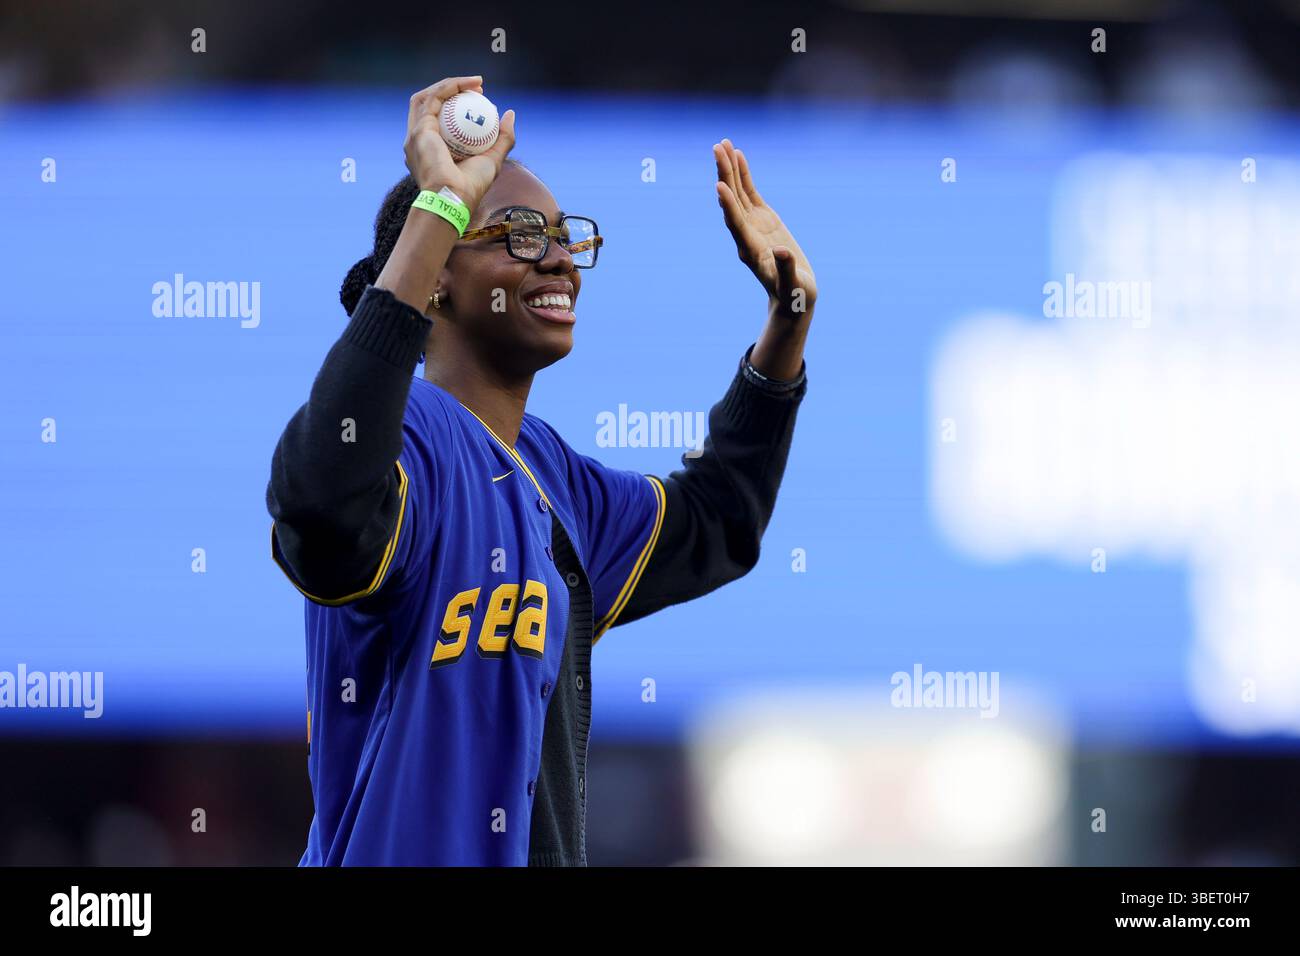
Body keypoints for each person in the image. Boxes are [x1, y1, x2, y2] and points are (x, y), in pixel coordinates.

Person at [266, 75, 817, 865]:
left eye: (565, 237)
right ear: (438, 281)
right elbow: (318, 502)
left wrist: (788, 319)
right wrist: (441, 206)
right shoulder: (409, 435)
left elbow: (720, 520)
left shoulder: (553, 477)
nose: (559, 259)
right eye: (519, 233)